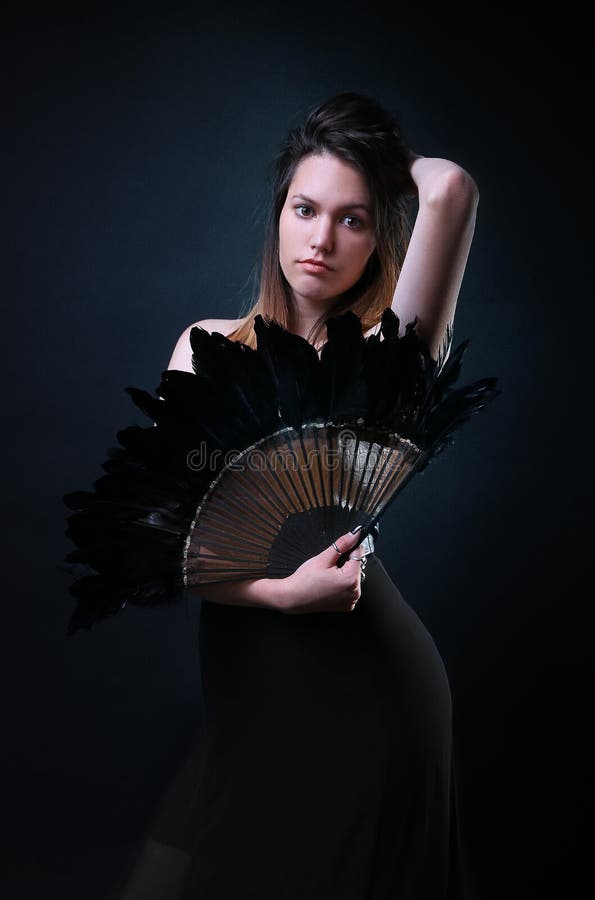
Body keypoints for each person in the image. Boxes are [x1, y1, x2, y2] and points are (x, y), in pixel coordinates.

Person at [117, 91, 479, 899]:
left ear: (381, 230)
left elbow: (449, 188)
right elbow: (160, 551)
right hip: (251, 680)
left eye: (353, 218)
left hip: (371, 692)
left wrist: (374, 159)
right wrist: (280, 595)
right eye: (305, 207)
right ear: (278, 212)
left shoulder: (394, 349)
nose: (321, 238)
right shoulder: (207, 346)